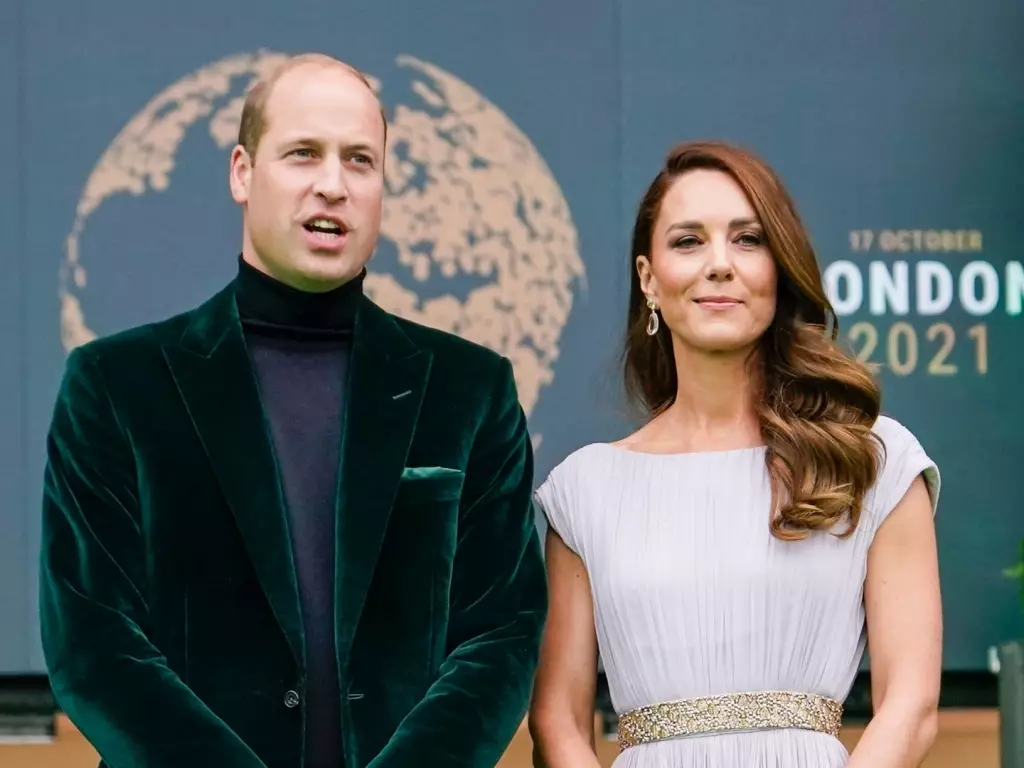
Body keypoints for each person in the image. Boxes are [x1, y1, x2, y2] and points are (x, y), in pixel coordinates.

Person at [38, 52, 547, 768]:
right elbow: (93, 640)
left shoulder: (471, 390)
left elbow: (499, 634)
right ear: (243, 172)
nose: (332, 186)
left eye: (359, 160)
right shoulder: (115, 385)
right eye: (303, 154)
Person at [527, 140, 942, 767]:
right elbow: (557, 721)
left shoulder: (873, 460)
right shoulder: (584, 489)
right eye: (688, 241)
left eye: (748, 239)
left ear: (779, 266)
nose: (720, 264)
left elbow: (910, 707)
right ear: (649, 279)